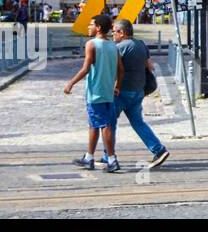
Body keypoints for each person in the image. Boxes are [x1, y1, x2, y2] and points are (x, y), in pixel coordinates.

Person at [63, 14, 123, 173]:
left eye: (91, 24)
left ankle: (112, 159)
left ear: (98, 28)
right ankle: (89, 157)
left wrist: (71, 83)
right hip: (108, 92)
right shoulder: (113, 46)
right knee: (94, 125)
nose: (88, 27)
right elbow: (121, 70)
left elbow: (86, 68)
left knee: (104, 126)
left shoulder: (91, 44)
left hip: (96, 92)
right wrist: (117, 85)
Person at [110, 19, 169, 168]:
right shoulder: (141, 44)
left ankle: (108, 156)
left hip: (122, 91)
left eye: (114, 31)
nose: (112, 34)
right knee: (138, 122)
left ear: (122, 32)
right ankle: (159, 149)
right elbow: (149, 66)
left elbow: (113, 70)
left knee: (109, 123)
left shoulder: (119, 47)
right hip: (139, 91)